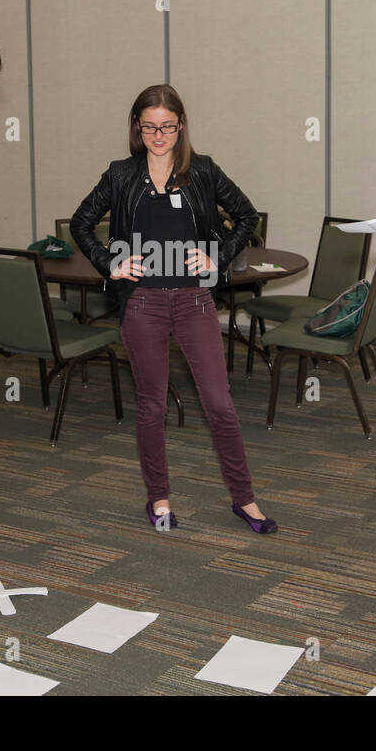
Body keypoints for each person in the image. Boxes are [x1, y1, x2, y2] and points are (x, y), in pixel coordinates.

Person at [71, 84, 277, 535]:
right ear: (137, 127)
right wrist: (110, 263)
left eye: (166, 126)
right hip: (142, 301)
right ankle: (159, 498)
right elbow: (80, 223)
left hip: (193, 300)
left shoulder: (201, 171)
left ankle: (245, 500)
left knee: (220, 404)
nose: (158, 135)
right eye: (149, 127)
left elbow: (247, 217)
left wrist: (217, 257)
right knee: (152, 406)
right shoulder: (121, 174)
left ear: (181, 125)